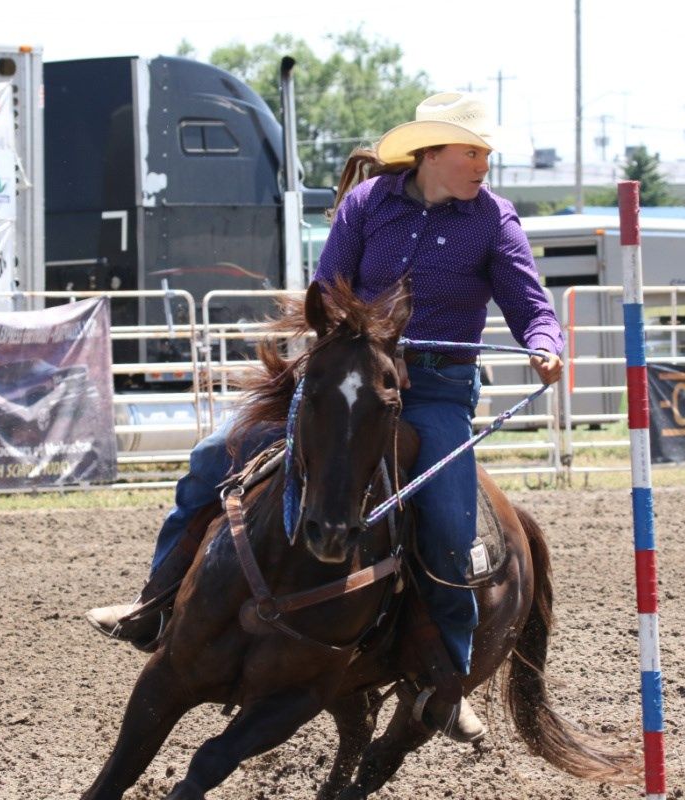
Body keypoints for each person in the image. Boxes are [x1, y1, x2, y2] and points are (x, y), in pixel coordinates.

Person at [85, 91, 565, 743]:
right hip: (347, 382)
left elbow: (531, 307)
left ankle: (444, 681)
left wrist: (546, 343)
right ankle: (156, 603)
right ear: (433, 152)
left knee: (453, 529)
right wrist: (347, 359)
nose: (484, 162)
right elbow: (329, 287)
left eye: (484, 152)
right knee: (210, 460)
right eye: (471, 150)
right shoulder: (369, 206)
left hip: (433, 395)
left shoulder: (496, 222)